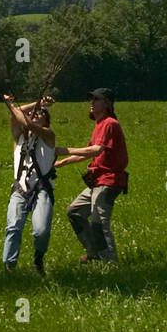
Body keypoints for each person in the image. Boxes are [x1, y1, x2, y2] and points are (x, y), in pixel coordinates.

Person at [56, 89, 128, 263]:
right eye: (91, 99)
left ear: (107, 104)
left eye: (96, 99)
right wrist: (60, 162)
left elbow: (96, 150)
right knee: (74, 212)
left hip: (109, 181)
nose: (91, 102)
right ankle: (93, 252)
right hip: (98, 182)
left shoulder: (110, 123)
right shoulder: (100, 124)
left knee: (99, 223)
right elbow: (88, 153)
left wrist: (64, 150)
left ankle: (110, 263)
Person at [1, 94, 58, 274]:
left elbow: (28, 123)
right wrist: (37, 103)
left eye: (41, 113)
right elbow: (14, 116)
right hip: (20, 189)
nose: (36, 114)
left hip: (42, 189)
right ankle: (9, 267)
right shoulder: (19, 137)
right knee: (13, 226)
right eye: (34, 113)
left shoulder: (48, 135)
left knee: (41, 231)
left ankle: (38, 258)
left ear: (47, 120)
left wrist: (11, 106)